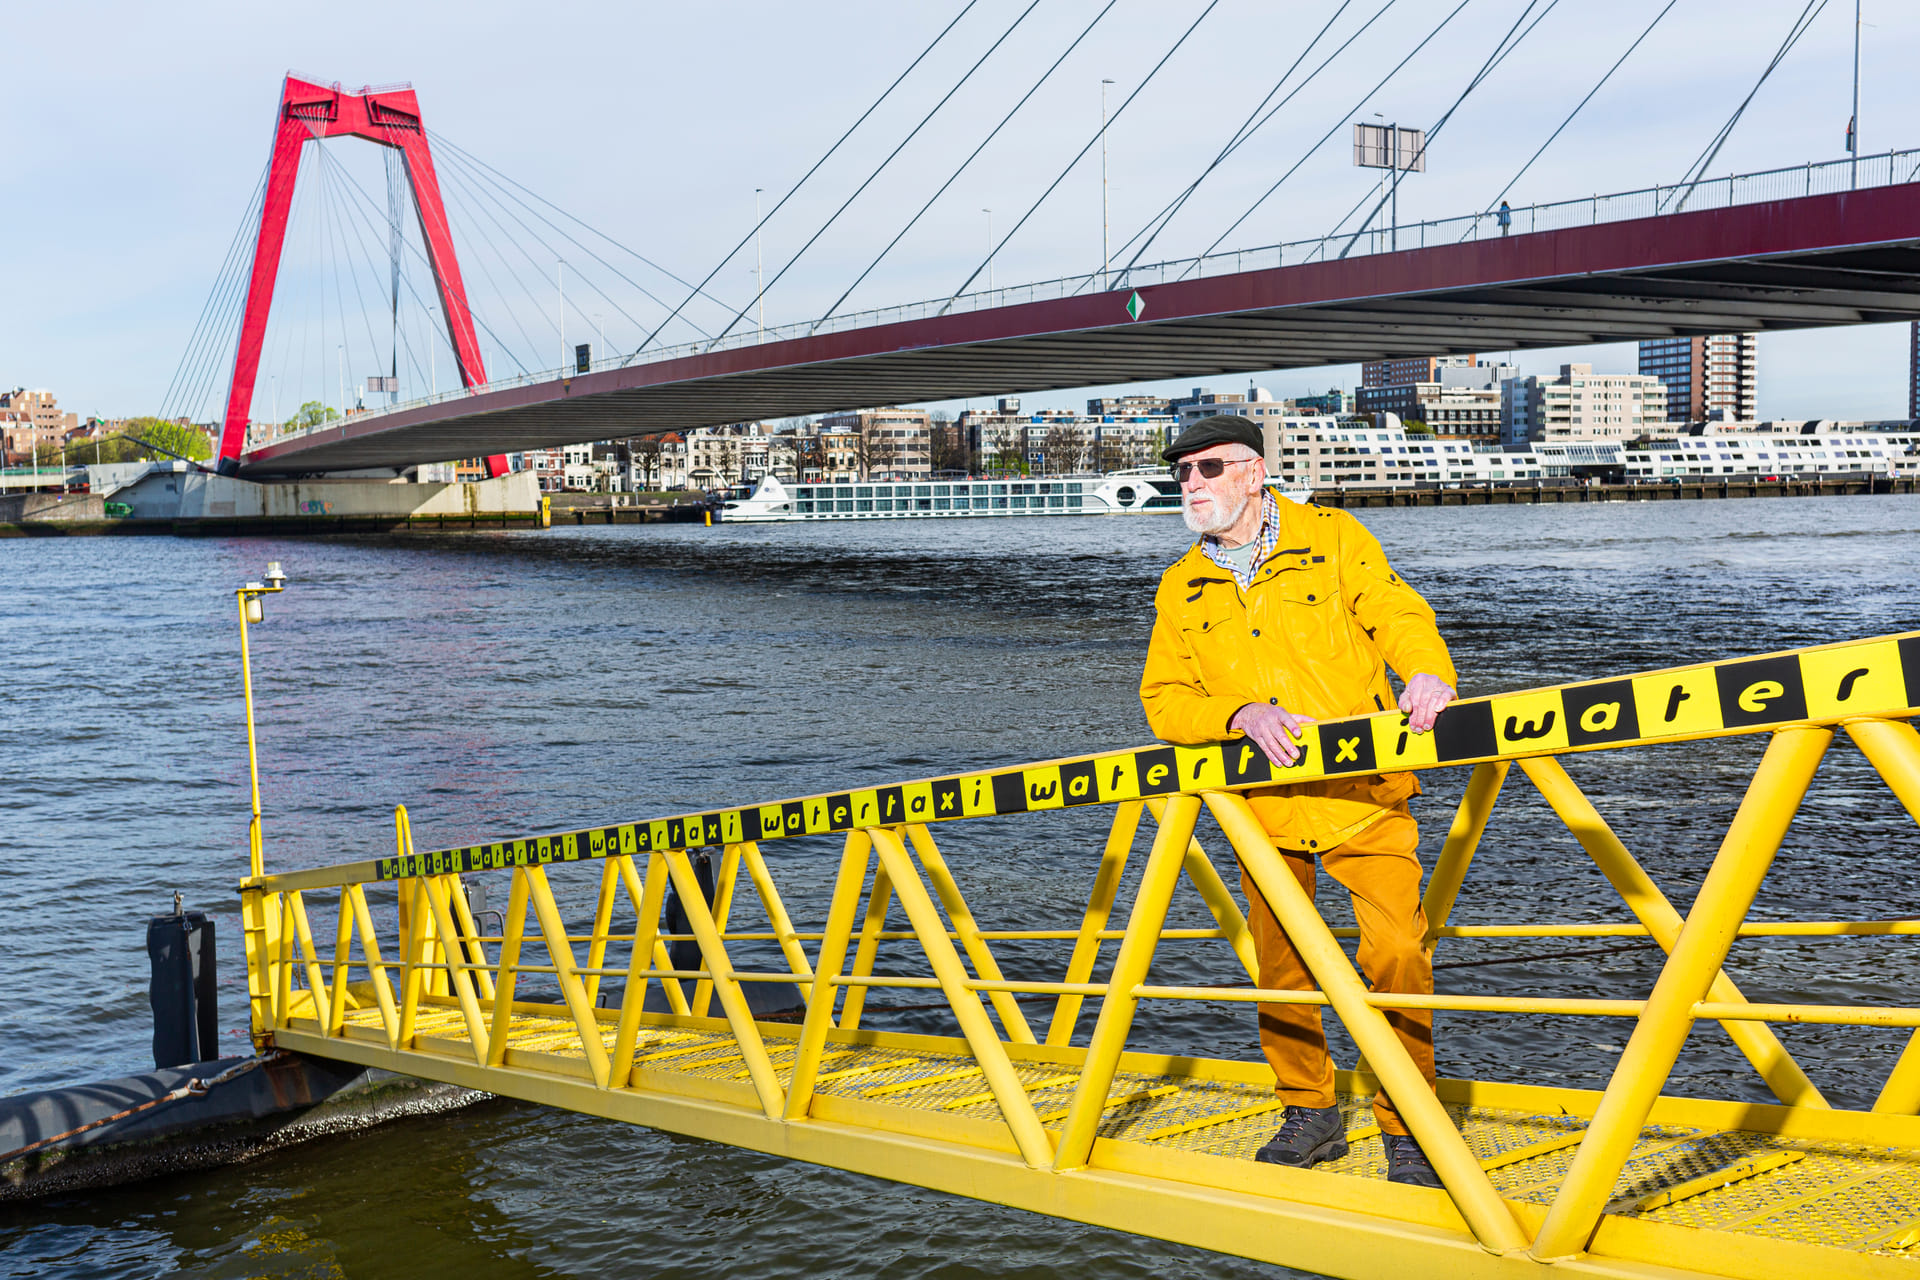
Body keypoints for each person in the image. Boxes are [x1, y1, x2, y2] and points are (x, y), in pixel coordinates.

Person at [1139, 415, 1458, 1188]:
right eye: (1182, 472)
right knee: (1281, 969)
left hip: (1362, 796)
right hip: (1264, 812)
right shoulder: (1183, 583)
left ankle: (1408, 1122)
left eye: (1207, 468)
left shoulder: (1334, 537)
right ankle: (1310, 1114)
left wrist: (1425, 670)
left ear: (1252, 472)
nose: (1192, 483)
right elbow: (1163, 698)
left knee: (1396, 956)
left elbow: (1396, 611)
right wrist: (1237, 716)